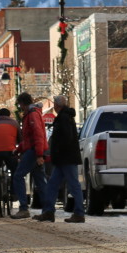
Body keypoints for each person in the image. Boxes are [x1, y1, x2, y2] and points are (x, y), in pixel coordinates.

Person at [33, 95, 85, 224]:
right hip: (64, 158)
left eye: (55, 104)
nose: (54, 107)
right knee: (53, 185)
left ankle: (79, 213)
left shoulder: (64, 118)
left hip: (66, 158)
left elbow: (66, 138)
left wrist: (56, 150)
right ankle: (48, 211)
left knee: (73, 185)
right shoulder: (65, 117)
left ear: (57, 105)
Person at [10, 92, 47, 219]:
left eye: (20, 104)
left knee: (18, 176)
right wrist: (18, 150)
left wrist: (39, 154)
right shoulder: (33, 113)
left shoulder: (32, 115)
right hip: (35, 150)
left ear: (23, 103)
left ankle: (23, 208)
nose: (20, 107)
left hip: (33, 152)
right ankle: (48, 210)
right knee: (40, 180)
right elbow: (29, 138)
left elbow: (38, 134)